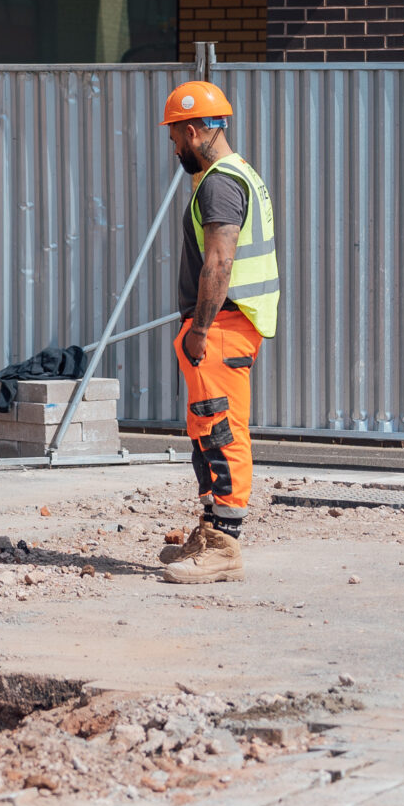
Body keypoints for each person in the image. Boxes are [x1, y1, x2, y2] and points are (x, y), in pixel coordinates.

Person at [156, 80, 280, 585]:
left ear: (193, 130)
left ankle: (225, 546)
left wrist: (200, 329)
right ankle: (211, 532)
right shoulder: (237, 173)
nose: (174, 149)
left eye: (175, 138)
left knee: (222, 430)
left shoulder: (219, 184)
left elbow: (220, 261)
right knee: (206, 431)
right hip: (224, 326)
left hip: (222, 326)